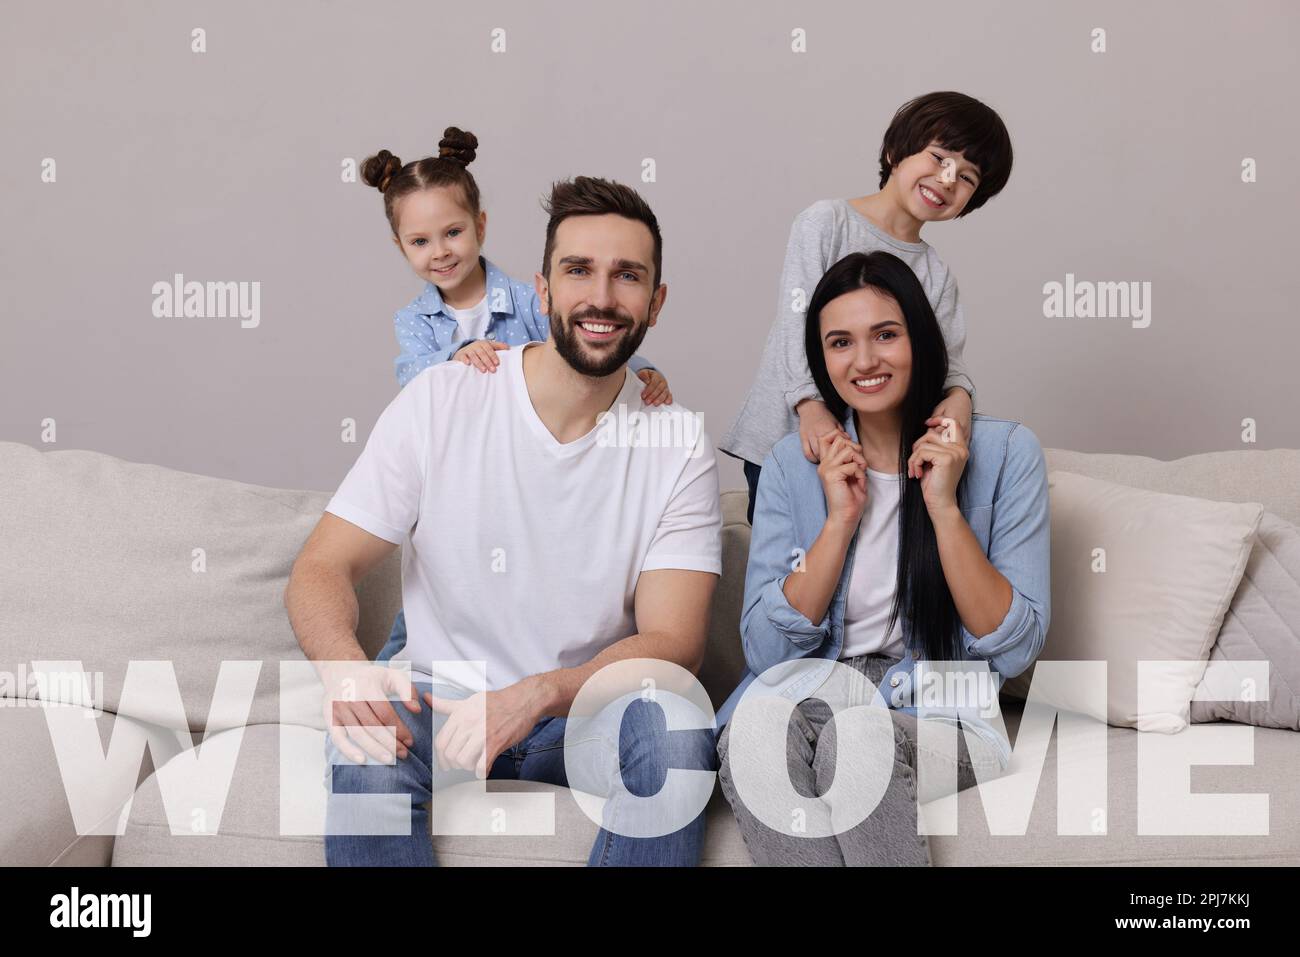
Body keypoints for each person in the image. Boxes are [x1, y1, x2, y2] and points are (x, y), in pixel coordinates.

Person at [286, 175, 722, 866]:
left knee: (675, 727)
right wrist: (346, 671)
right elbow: (321, 566)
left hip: (580, 716)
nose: (602, 297)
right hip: (440, 704)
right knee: (364, 740)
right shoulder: (442, 400)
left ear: (656, 302)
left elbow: (676, 641)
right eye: (578, 270)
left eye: (628, 276)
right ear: (541, 290)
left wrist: (539, 693)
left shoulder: (678, 444)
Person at [714, 250, 1050, 866]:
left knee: (857, 737)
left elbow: (1013, 647)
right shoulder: (794, 463)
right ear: (822, 360)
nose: (864, 361)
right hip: (807, 695)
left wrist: (945, 507)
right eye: (840, 342)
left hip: (940, 709)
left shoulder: (1006, 454)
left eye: (885, 335)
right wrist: (840, 520)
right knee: (753, 737)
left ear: (919, 339)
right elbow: (766, 654)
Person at [359, 126, 673, 665]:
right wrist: (454, 358)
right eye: (420, 242)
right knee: (432, 595)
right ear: (400, 247)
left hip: (529, 460)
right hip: (467, 466)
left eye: (453, 232)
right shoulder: (415, 321)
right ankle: (401, 662)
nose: (441, 252)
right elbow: (412, 375)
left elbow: (587, 342)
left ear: (480, 225)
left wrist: (644, 371)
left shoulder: (530, 298)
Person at [720, 91, 1014, 525]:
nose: (949, 179)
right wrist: (811, 407)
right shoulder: (827, 222)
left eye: (968, 178)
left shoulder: (935, 274)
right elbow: (794, 323)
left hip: (865, 455)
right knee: (791, 570)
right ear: (896, 151)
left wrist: (960, 398)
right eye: (939, 158)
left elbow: (946, 359)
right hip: (787, 437)